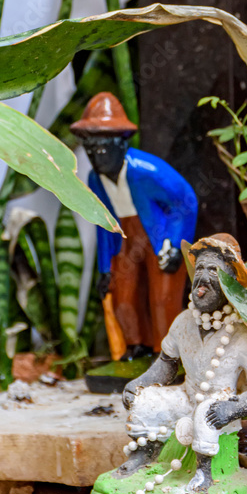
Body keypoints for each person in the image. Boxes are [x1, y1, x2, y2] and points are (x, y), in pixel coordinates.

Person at [119, 234, 247, 491]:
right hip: (186, 396)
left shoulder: (243, 335)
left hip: (220, 406)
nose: (202, 277)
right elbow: (167, 364)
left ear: (231, 283)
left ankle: (204, 472)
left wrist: (231, 409)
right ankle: (143, 455)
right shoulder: (184, 322)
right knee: (146, 400)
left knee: (206, 414)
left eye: (213, 270)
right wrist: (140, 383)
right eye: (199, 268)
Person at [71, 93, 198, 359]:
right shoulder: (95, 179)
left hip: (158, 236)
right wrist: (104, 268)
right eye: (91, 149)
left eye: (103, 148)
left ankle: (168, 353)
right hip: (124, 238)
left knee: (163, 297)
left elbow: (185, 201)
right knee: (123, 296)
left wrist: (175, 244)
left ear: (121, 144)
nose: (96, 156)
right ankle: (136, 345)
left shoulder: (145, 170)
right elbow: (102, 223)